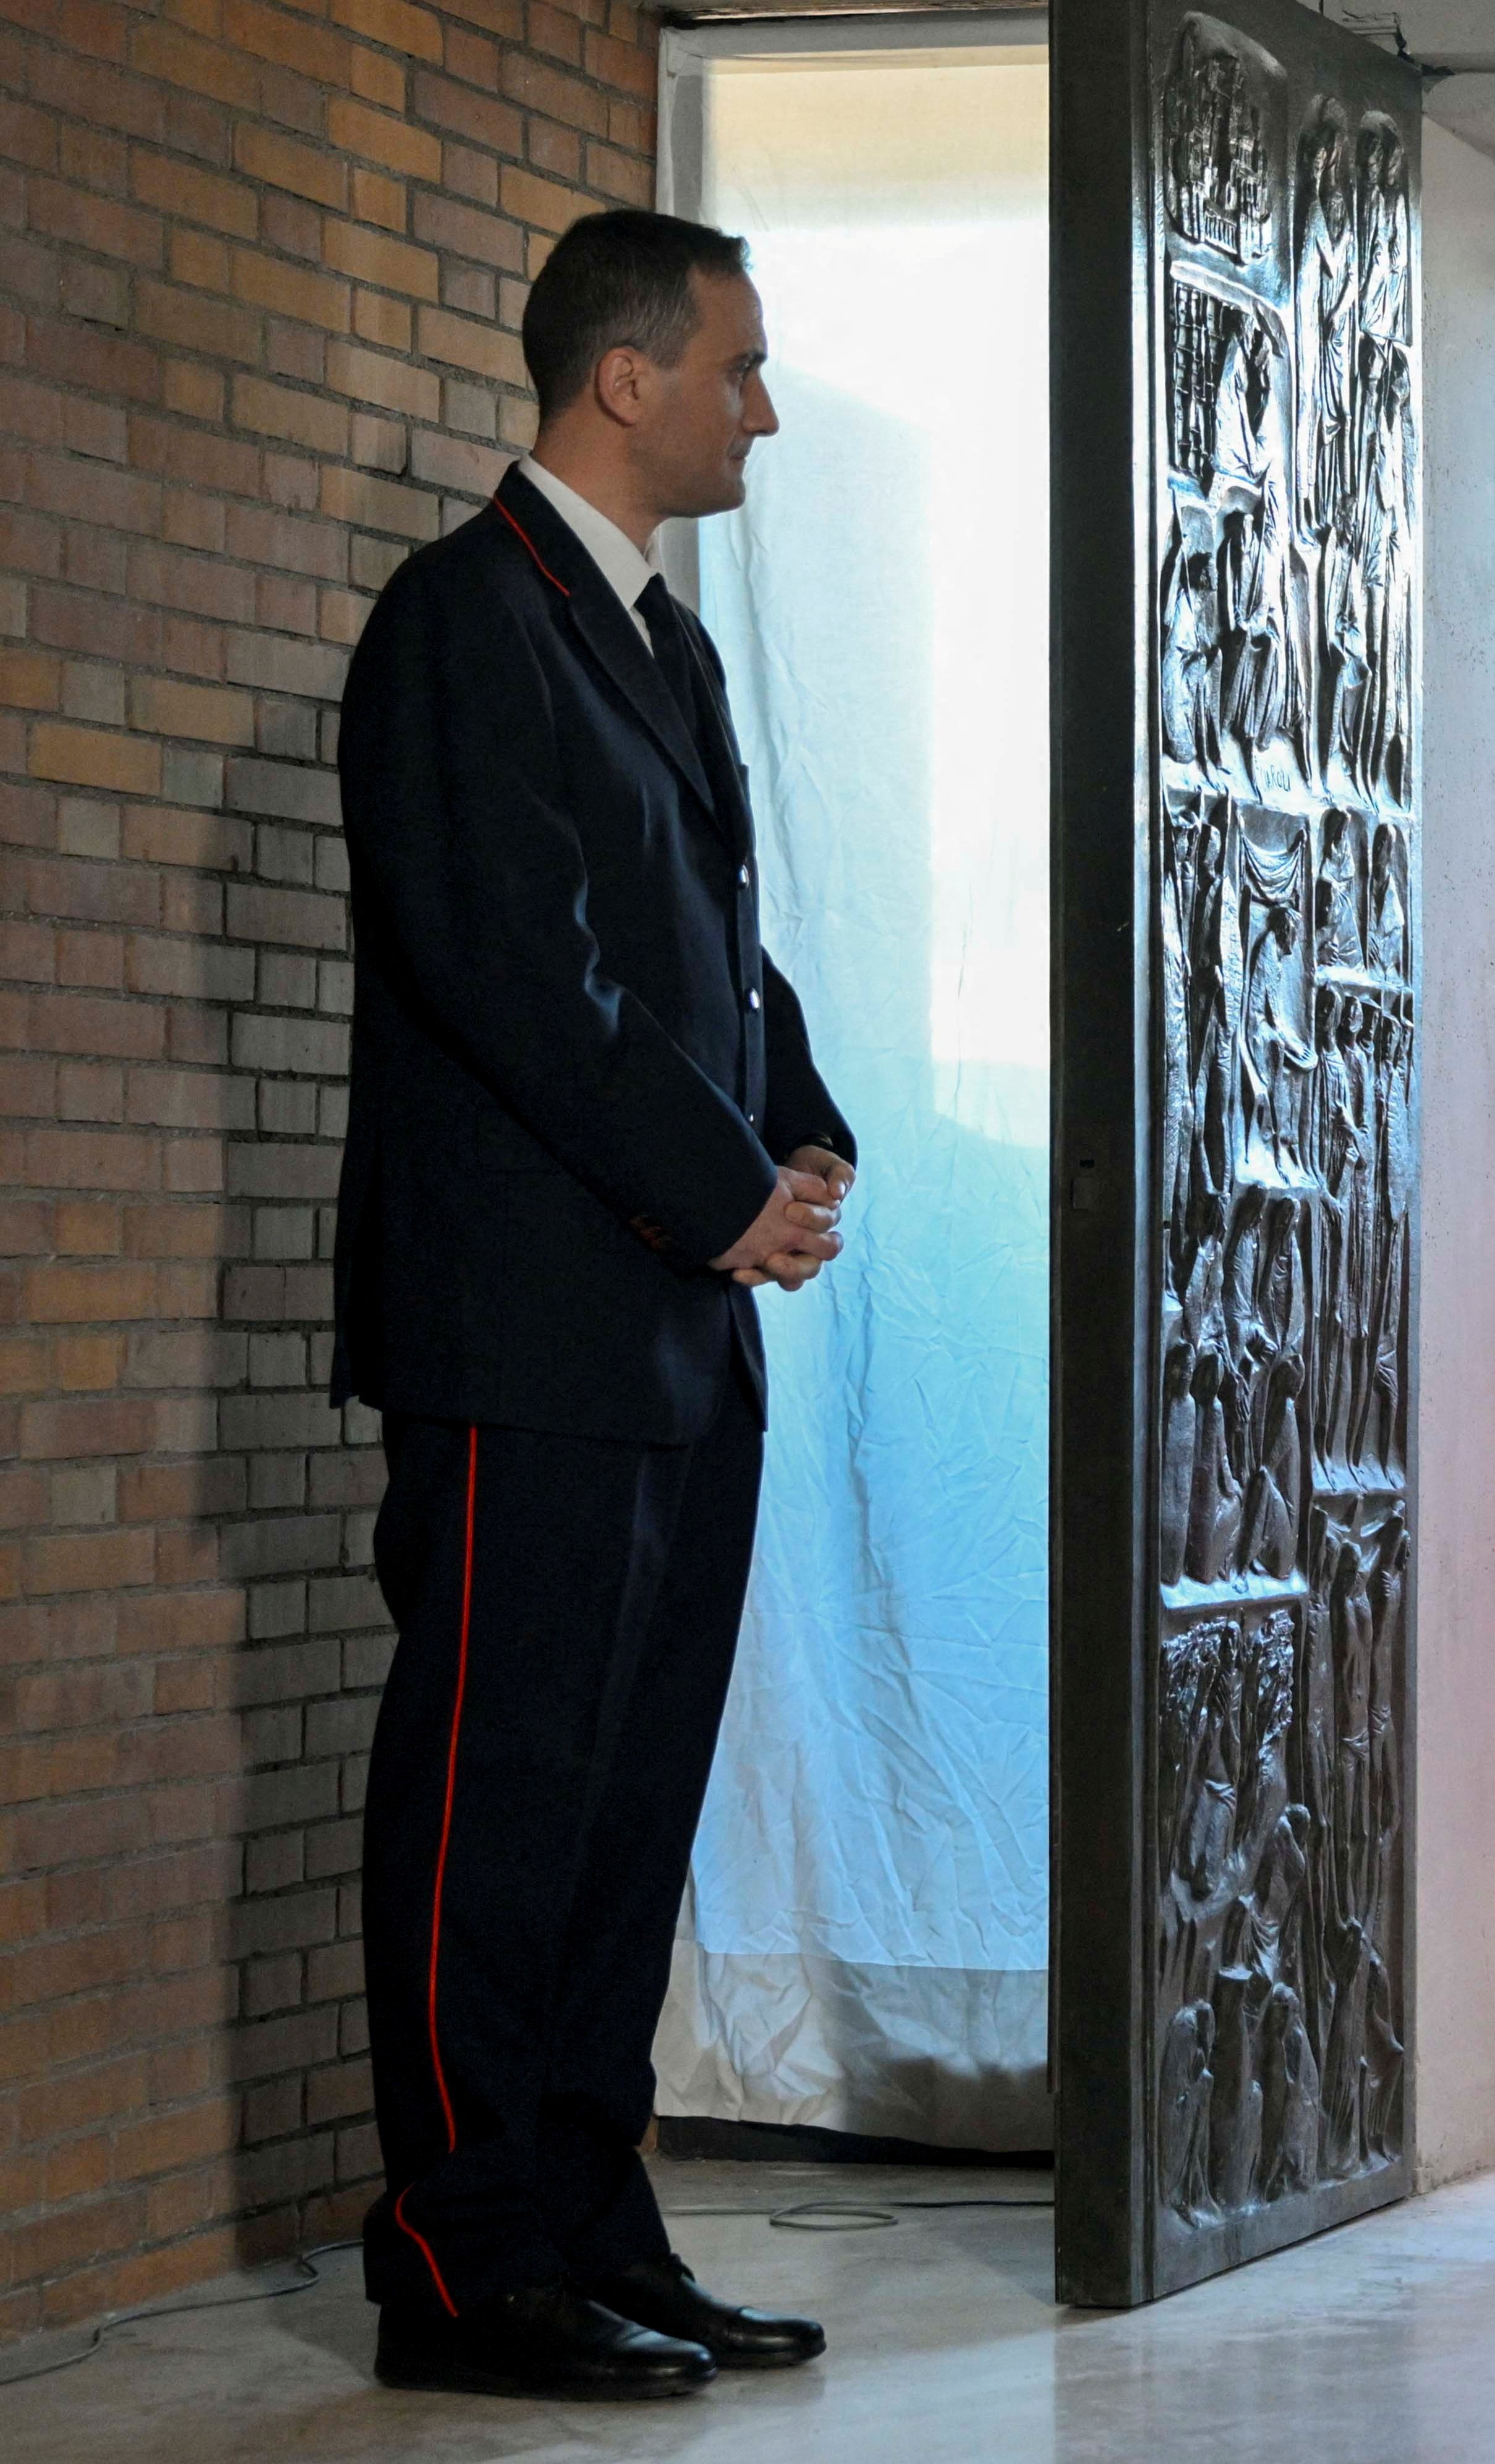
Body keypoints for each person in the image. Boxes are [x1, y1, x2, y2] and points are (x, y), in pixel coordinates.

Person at [333, 208, 851, 2402]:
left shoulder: (659, 640)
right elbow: (516, 967)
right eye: (737, 363)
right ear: (622, 378)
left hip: (669, 1328)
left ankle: (587, 2214)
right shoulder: (467, 619)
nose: (760, 400)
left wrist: (797, 1129)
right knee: (498, 1796)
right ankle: (461, 2260)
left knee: (628, 1802)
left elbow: (710, 951)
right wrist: (716, 1186)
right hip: (522, 1332)